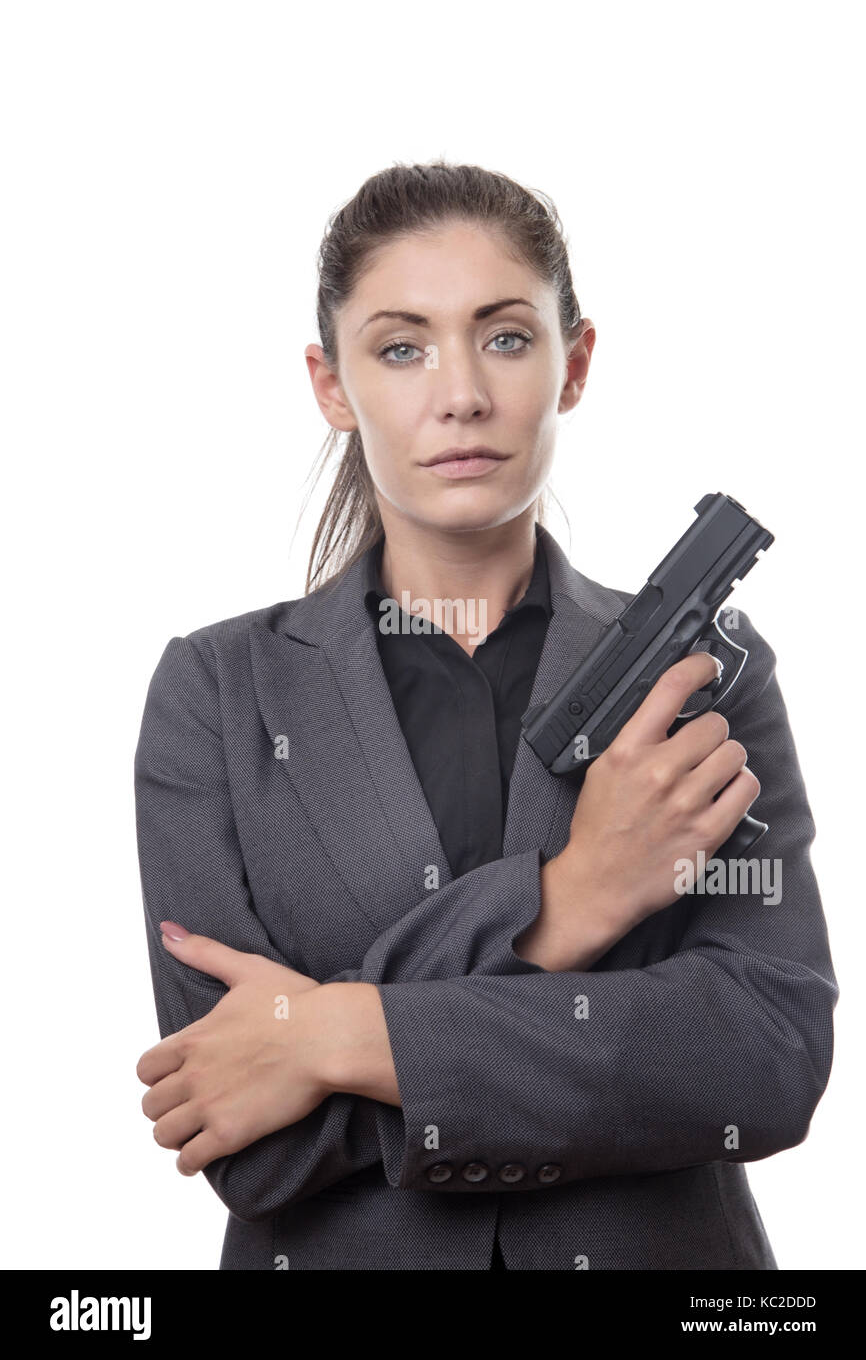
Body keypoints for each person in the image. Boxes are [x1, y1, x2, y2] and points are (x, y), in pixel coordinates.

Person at [134, 160, 837, 1271]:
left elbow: (764, 1054)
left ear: (575, 362)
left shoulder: (702, 675)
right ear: (330, 384)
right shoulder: (217, 693)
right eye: (400, 346)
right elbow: (241, 1138)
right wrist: (567, 902)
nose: (458, 392)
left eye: (505, 337)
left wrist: (333, 1036)